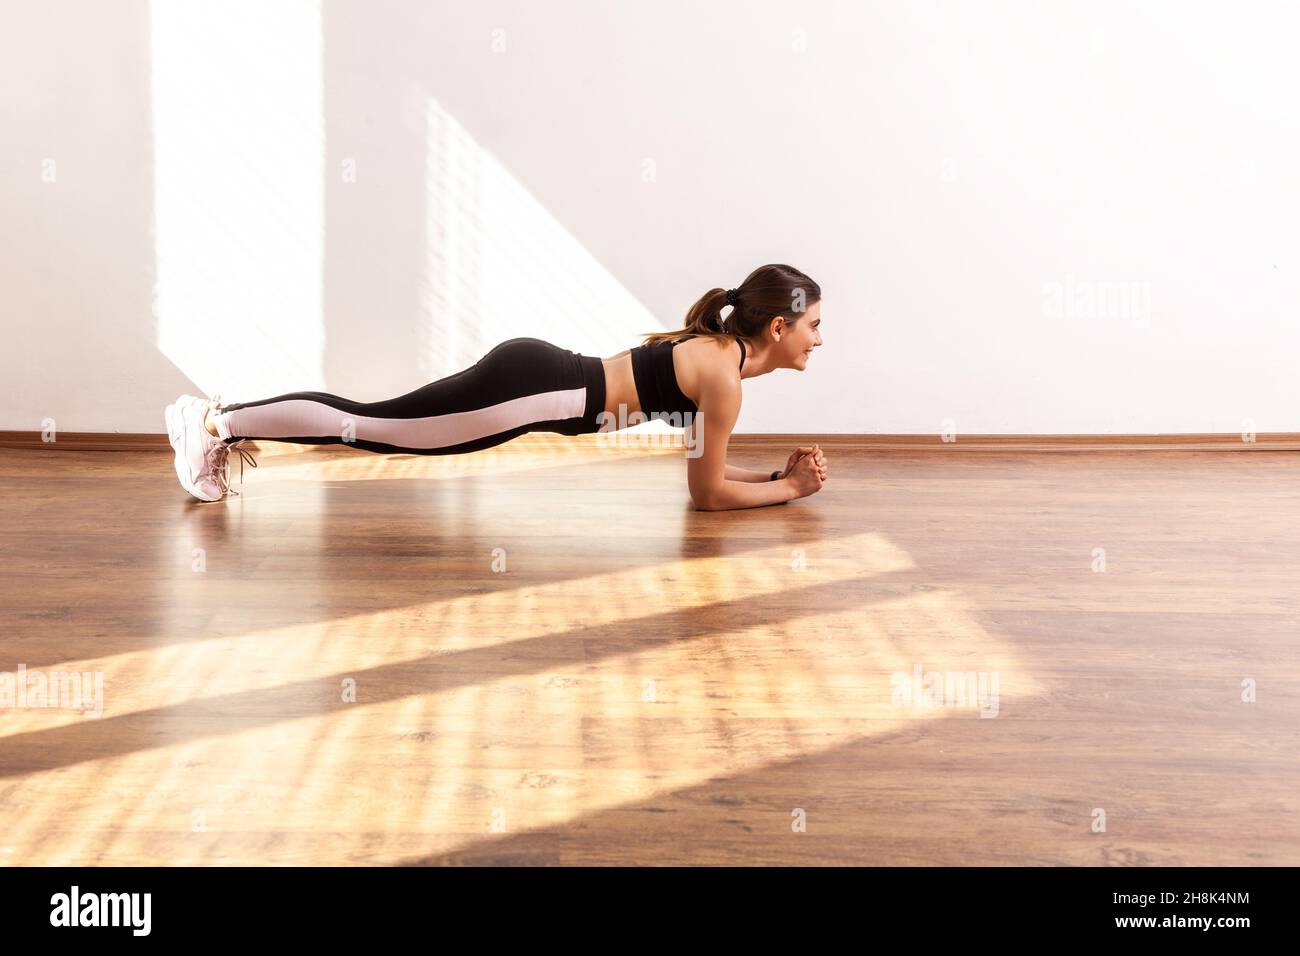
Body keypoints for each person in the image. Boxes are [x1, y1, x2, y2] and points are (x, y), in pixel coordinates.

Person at [165, 262, 828, 511]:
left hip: (534, 378)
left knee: (376, 426)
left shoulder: (717, 359)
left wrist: (772, 476)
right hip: (532, 390)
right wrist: (791, 490)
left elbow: (703, 470)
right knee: (369, 426)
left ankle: (218, 423)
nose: (819, 340)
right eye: (814, 326)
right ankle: (214, 424)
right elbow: (707, 497)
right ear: (778, 326)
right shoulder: (723, 378)